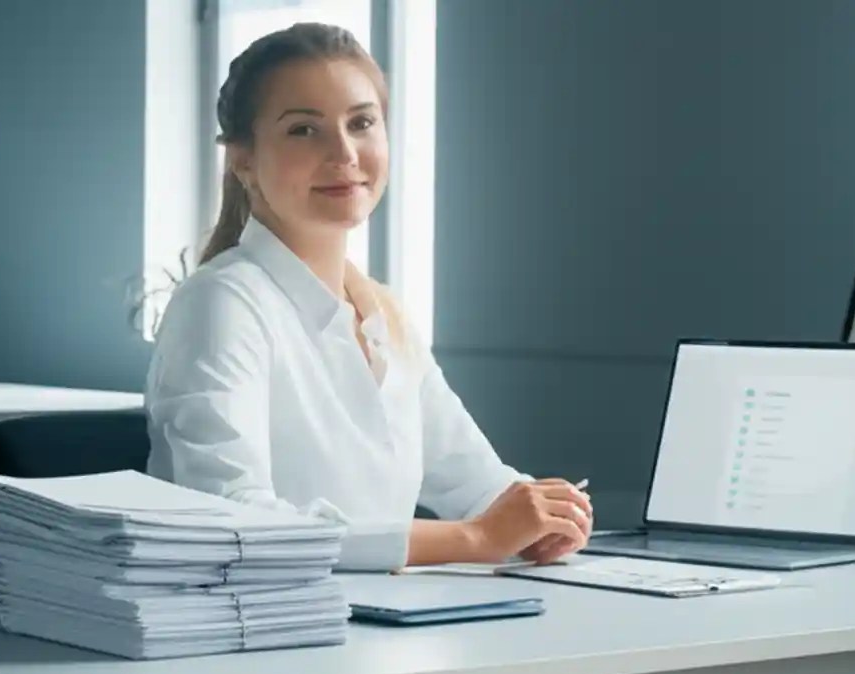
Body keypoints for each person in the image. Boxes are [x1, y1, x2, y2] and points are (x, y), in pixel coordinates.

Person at [144, 22, 593, 571]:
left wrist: (546, 518)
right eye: (304, 131)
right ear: (242, 159)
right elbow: (238, 520)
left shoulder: (382, 314)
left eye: (361, 123)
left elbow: (477, 483)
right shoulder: (222, 305)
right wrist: (475, 540)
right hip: (259, 637)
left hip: (386, 633)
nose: (344, 152)